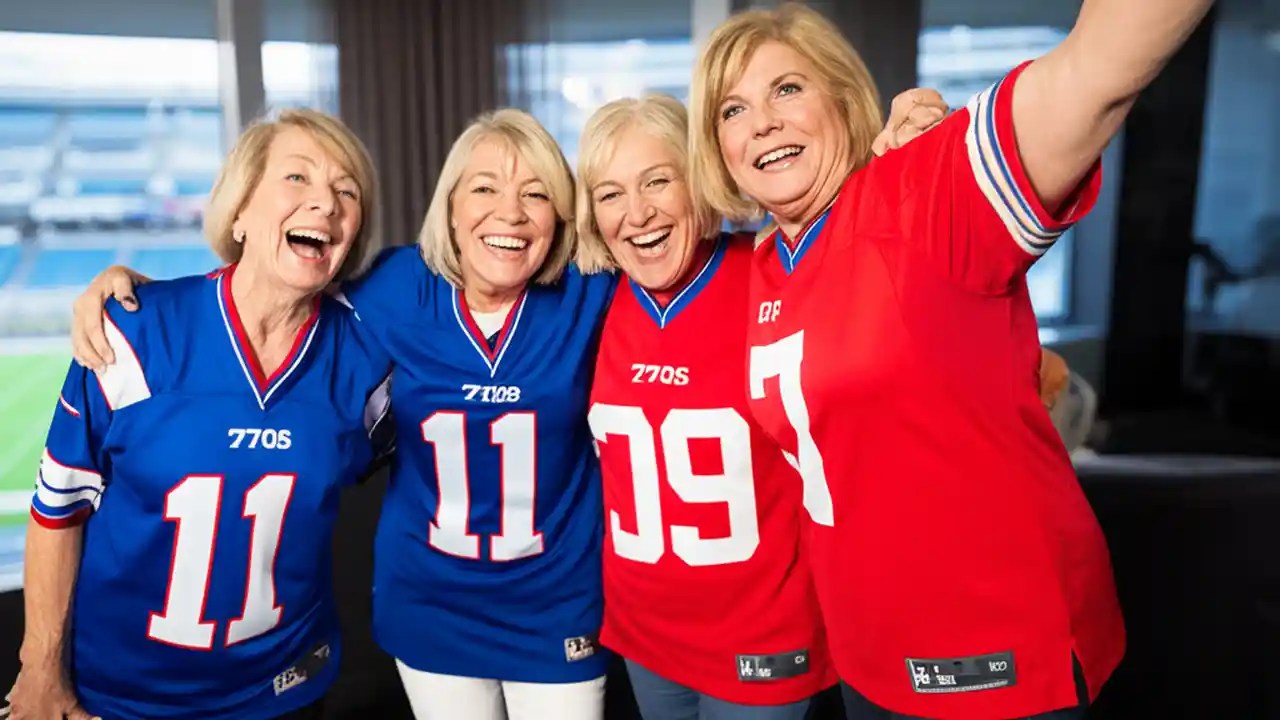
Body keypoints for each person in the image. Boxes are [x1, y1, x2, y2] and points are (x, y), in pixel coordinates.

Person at [62, 96, 991, 720]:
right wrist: (134, 292)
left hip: (560, 605)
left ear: (563, 221)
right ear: (449, 208)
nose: (508, 211)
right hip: (431, 604)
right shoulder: (391, 290)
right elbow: (272, 295)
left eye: (537, 192)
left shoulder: (593, 291)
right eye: (483, 189)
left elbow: (754, 247)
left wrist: (893, 168)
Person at [688, 2, 1213, 718]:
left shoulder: (923, 191)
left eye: (787, 89)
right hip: (868, 655)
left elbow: (1097, 72)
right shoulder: (763, 264)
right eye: (731, 109)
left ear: (843, 98)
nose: (763, 122)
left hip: (989, 655)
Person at [7, 109, 392, 720]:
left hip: (285, 692)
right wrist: (40, 670)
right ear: (239, 212)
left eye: (347, 191)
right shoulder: (133, 333)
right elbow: (59, 511)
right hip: (125, 697)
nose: (326, 202)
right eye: (297, 178)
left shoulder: (369, 362)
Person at [580, 94, 834, 719]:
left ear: (697, 180)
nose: (636, 214)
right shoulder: (591, 304)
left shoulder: (771, 272)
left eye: (657, 181)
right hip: (644, 634)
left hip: (763, 638)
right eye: (610, 194)